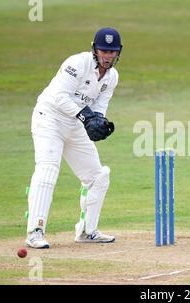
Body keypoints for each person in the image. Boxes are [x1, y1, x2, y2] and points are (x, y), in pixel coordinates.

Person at [25, 28, 122, 248]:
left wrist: (98, 121)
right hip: (49, 118)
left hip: (75, 124)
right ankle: (35, 231)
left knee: (98, 176)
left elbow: (99, 105)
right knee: (48, 169)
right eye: (104, 50)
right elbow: (60, 97)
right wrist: (85, 115)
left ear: (118, 53)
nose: (108, 56)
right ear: (95, 49)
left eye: (112, 52)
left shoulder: (112, 77)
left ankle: (87, 231)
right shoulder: (77, 63)